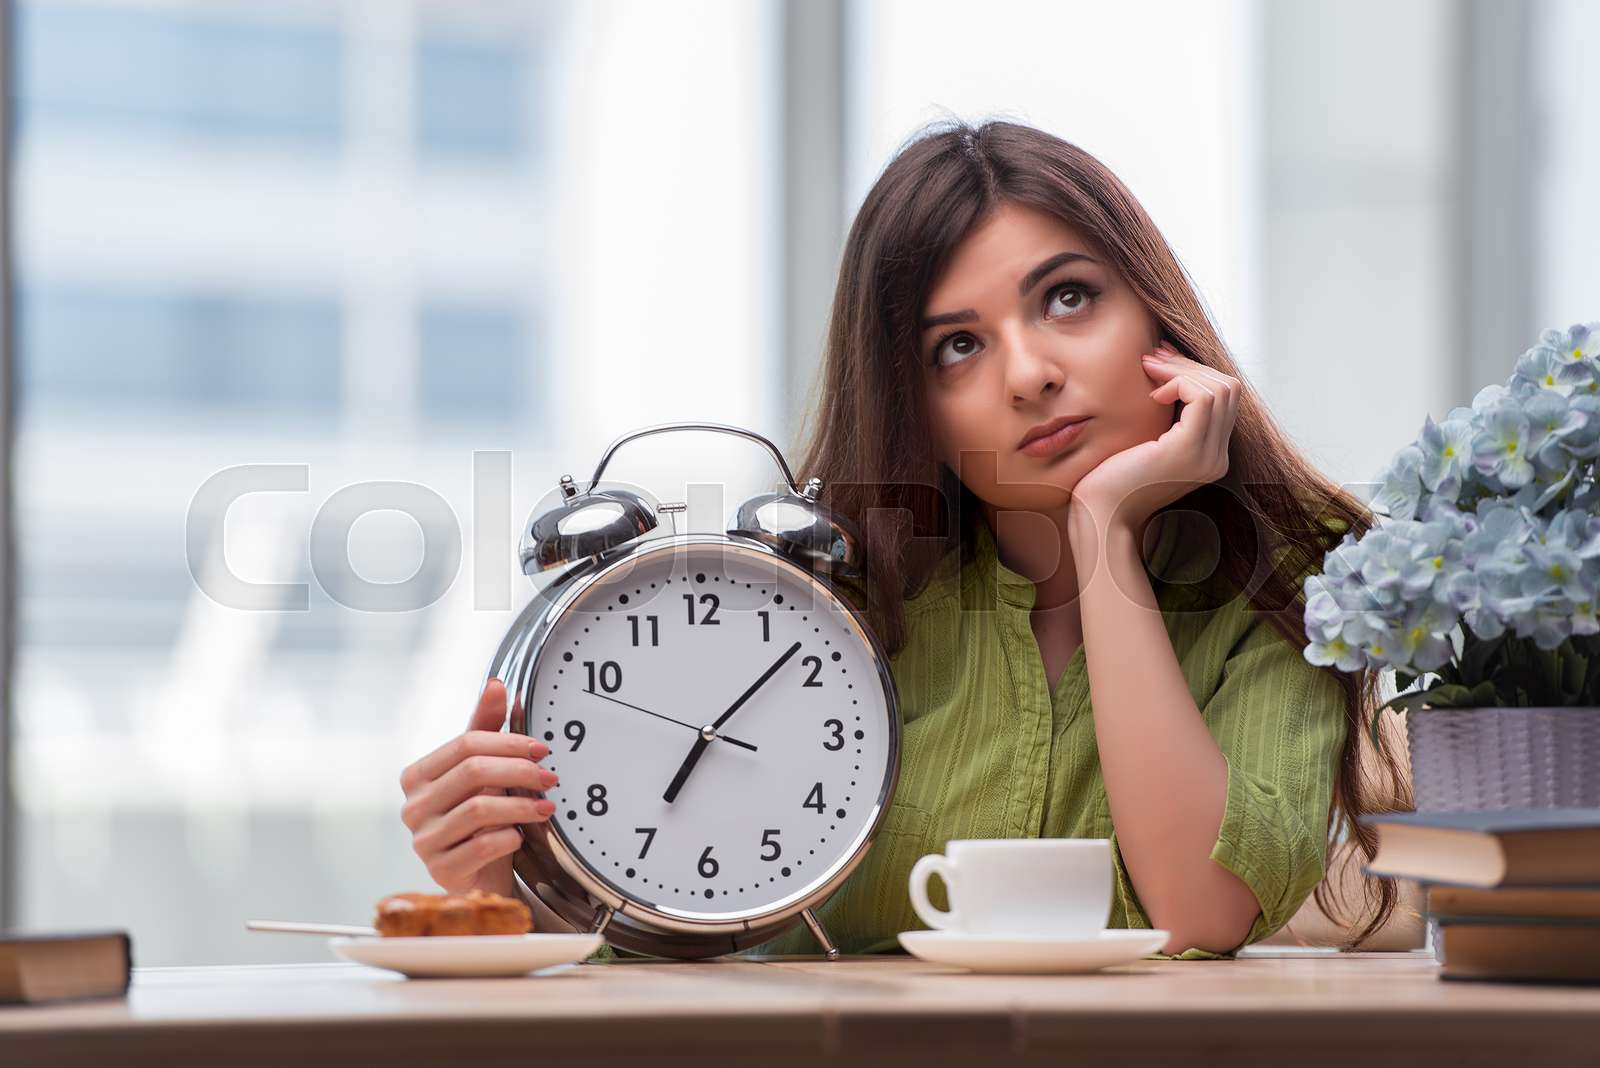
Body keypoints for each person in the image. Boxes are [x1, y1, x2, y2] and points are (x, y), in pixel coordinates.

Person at [399, 118, 1412, 962]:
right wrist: (500, 882)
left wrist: (1105, 532)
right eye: (957, 346)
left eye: (1068, 298)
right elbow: (681, 931)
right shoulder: (819, 602)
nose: (1028, 373)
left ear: (1153, 308)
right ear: (913, 401)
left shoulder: (1290, 576)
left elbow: (1200, 911)